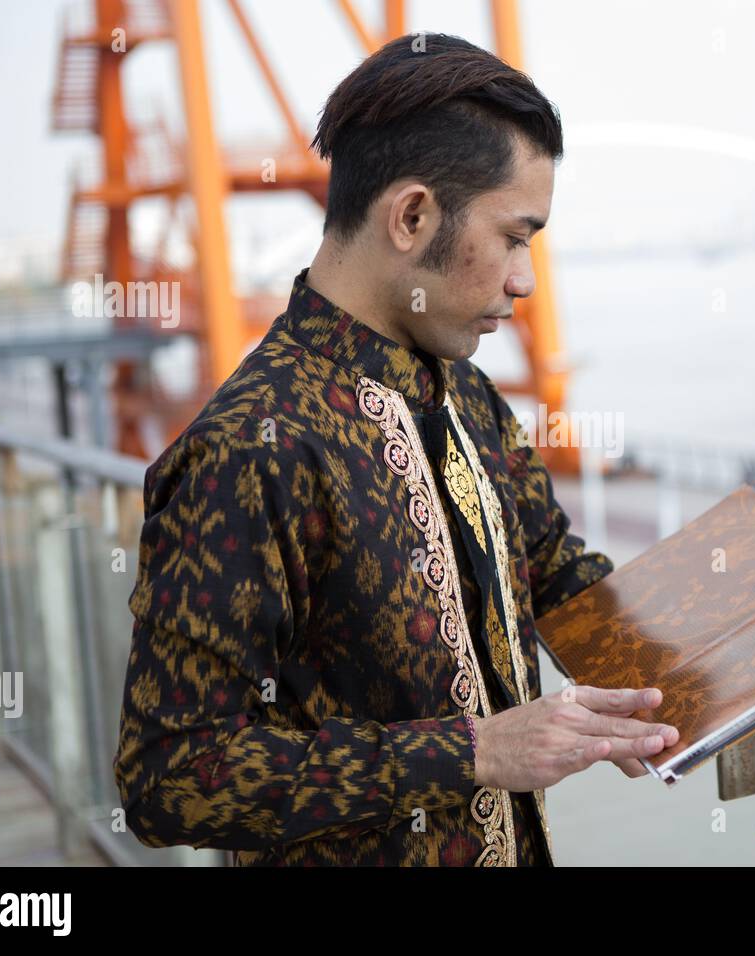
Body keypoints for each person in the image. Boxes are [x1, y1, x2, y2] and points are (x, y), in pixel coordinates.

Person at [112, 32, 678, 867]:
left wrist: (740, 647)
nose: (524, 280)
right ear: (412, 216)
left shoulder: (466, 395)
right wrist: (476, 751)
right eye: (516, 236)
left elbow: (557, 575)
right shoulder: (253, 447)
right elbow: (170, 775)